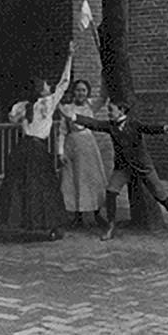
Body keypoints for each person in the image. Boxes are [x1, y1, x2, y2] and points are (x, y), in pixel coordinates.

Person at [61, 98, 168, 241]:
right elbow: (94, 123)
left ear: (121, 111)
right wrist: (73, 116)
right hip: (123, 168)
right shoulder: (110, 126)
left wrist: (167, 128)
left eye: (111, 110)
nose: (108, 113)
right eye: (108, 110)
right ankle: (111, 226)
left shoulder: (134, 124)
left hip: (142, 166)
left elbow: (150, 129)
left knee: (160, 195)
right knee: (111, 192)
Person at [0, 40, 76, 242]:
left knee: (15, 185)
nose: (48, 86)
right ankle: (50, 224)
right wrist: (69, 56)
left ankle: (0, 225)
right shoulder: (47, 102)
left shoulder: (22, 105)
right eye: (45, 85)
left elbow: (12, 118)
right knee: (44, 185)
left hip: (24, 147)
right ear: (40, 90)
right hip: (37, 148)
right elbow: (64, 82)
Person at [57, 78, 108, 228]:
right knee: (74, 180)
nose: (80, 93)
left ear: (87, 93)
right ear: (73, 91)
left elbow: (104, 98)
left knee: (92, 178)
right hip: (72, 147)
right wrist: (60, 153)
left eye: (83, 90)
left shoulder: (91, 106)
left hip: (88, 146)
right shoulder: (67, 108)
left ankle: (97, 213)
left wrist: (105, 75)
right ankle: (77, 216)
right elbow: (61, 132)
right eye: (78, 90)